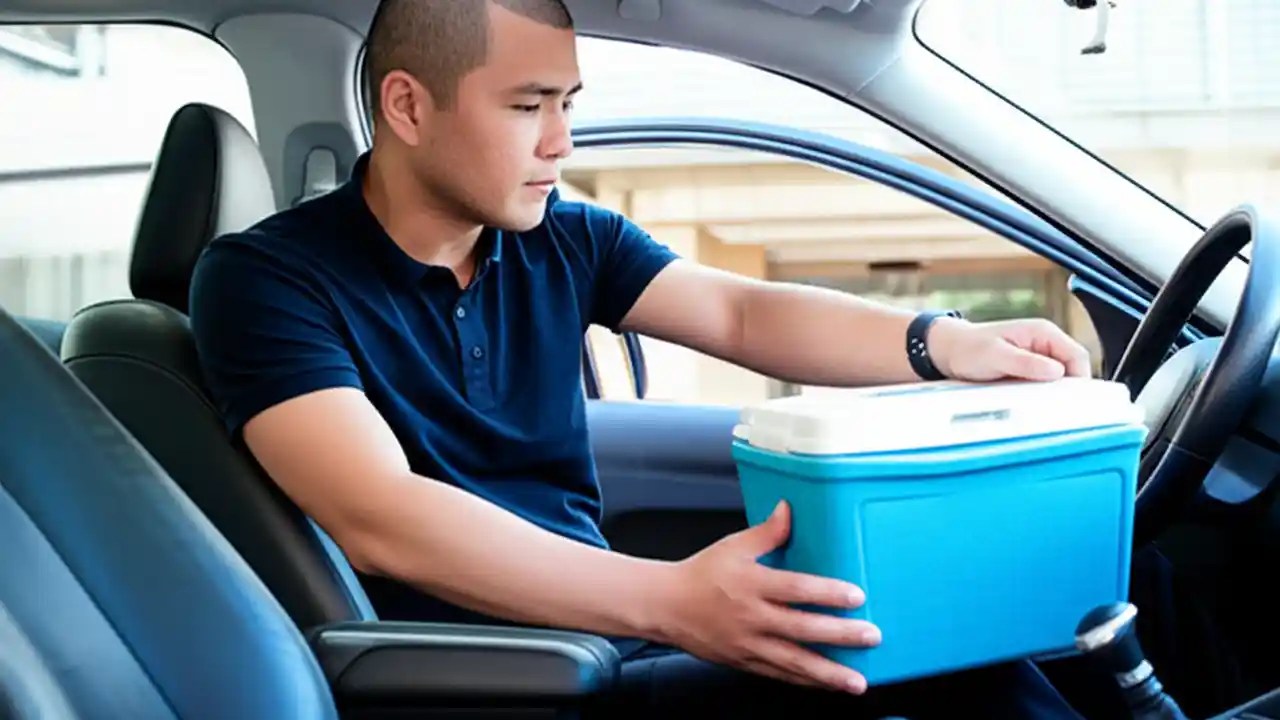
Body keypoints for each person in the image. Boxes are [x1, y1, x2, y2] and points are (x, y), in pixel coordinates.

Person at [188, 1, 1104, 717]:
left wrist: (944, 343)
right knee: (921, 667)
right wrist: (673, 600)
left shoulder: (564, 241)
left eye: (567, 105)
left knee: (948, 638)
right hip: (505, 682)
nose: (562, 141)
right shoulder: (266, 281)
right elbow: (380, 515)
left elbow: (741, 311)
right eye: (526, 106)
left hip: (605, 646)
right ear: (407, 105)